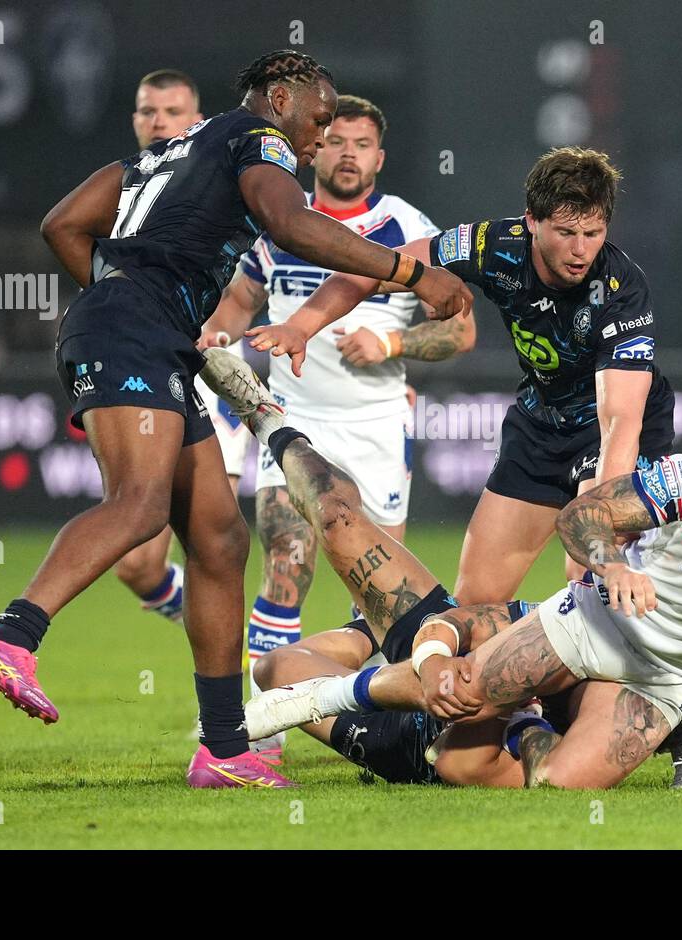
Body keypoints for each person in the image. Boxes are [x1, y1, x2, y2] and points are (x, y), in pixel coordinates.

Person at [0, 49, 472, 791]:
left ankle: (224, 749)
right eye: (319, 117)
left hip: (144, 331)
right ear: (280, 97)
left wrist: (120, 292)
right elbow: (289, 225)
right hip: (134, 332)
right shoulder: (255, 138)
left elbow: (62, 223)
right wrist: (412, 272)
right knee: (138, 508)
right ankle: (11, 635)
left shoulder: (165, 153)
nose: (321, 136)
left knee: (220, 538)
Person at [245, 401, 682, 790]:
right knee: (455, 693)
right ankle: (311, 699)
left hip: (662, 684)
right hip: (590, 627)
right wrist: (612, 566)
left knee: (552, 789)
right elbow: (582, 516)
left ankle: (549, 724)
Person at [198, 348, 682, 789]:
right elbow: (467, 624)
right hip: (449, 653)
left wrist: (510, 709)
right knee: (336, 520)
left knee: (272, 670)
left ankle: (371, 647)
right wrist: (436, 662)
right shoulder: (584, 651)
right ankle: (269, 421)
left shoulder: (579, 747)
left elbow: (470, 765)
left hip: (405, 746)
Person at [246, 147, 674, 606]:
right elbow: (371, 269)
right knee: (472, 606)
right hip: (540, 427)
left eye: (593, 233)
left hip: (612, 434)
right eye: (566, 232)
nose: (580, 249)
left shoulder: (621, 289)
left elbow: (620, 421)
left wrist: (603, 540)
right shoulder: (492, 245)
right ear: (531, 221)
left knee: (590, 576)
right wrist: (301, 326)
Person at [199, 94, 474, 741]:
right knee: (286, 559)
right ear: (315, 149)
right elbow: (237, 304)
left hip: (377, 426)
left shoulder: (404, 228)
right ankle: (258, 730)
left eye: (362, 144)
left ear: (379, 156)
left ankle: (393, 720)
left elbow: (459, 330)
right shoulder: (282, 223)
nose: (347, 153)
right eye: (337, 140)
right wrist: (213, 342)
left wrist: (395, 344)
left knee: (378, 598)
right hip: (295, 420)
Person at [109, 69, 255, 628]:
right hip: (141, 366)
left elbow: (245, 283)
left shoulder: (219, 184)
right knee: (138, 566)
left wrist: (210, 327)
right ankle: (218, 642)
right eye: (147, 111)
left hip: (202, 375)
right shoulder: (124, 187)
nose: (157, 122)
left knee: (209, 545)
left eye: (171, 112)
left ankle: (225, 696)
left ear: (196, 121)